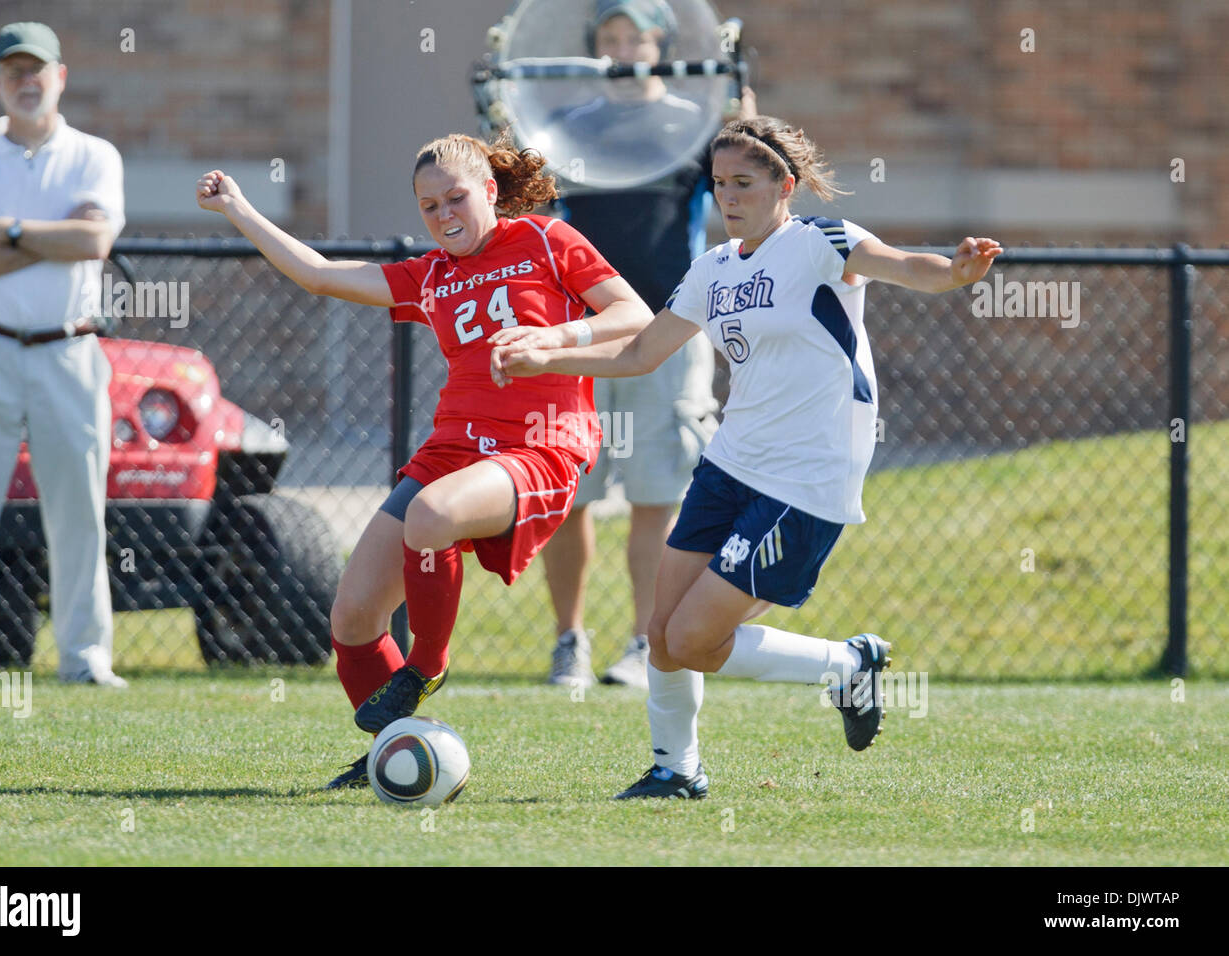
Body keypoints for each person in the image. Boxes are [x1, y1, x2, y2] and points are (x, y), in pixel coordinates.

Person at [491, 116, 1003, 798]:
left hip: (807, 478)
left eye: (745, 184)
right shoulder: (712, 267)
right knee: (664, 635)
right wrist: (546, 354)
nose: (729, 197)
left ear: (784, 186)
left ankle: (847, 664)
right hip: (730, 463)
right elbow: (641, 353)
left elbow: (911, 269)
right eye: (719, 184)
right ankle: (676, 769)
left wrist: (956, 271)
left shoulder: (823, 242)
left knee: (697, 637)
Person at [195, 132, 652, 790]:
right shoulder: (432, 273)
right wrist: (239, 207)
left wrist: (555, 337)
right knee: (352, 617)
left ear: (490, 192)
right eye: (428, 206)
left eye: (456, 198)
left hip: (543, 442)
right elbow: (318, 274)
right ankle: (396, 751)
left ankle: (427, 665)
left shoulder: (548, 241)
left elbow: (632, 314)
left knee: (432, 515)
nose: (443, 216)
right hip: (454, 449)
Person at [539, 0, 745, 691]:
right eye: (610, 38)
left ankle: (641, 639)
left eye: (636, 37)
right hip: (582, 333)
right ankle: (569, 641)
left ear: (660, 44)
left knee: (658, 493)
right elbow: (530, 216)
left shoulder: (693, 127)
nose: (624, 49)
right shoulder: (567, 129)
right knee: (570, 493)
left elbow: (747, 191)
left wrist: (743, 116)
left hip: (668, 328)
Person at [0, 22, 126, 686]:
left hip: (68, 350)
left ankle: (85, 657)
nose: (26, 81)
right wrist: (56, 235)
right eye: (13, 70)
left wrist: (10, 231)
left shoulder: (95, 155)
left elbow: (95, 242)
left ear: (60, 76)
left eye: (37, 69)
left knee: (79, 511)